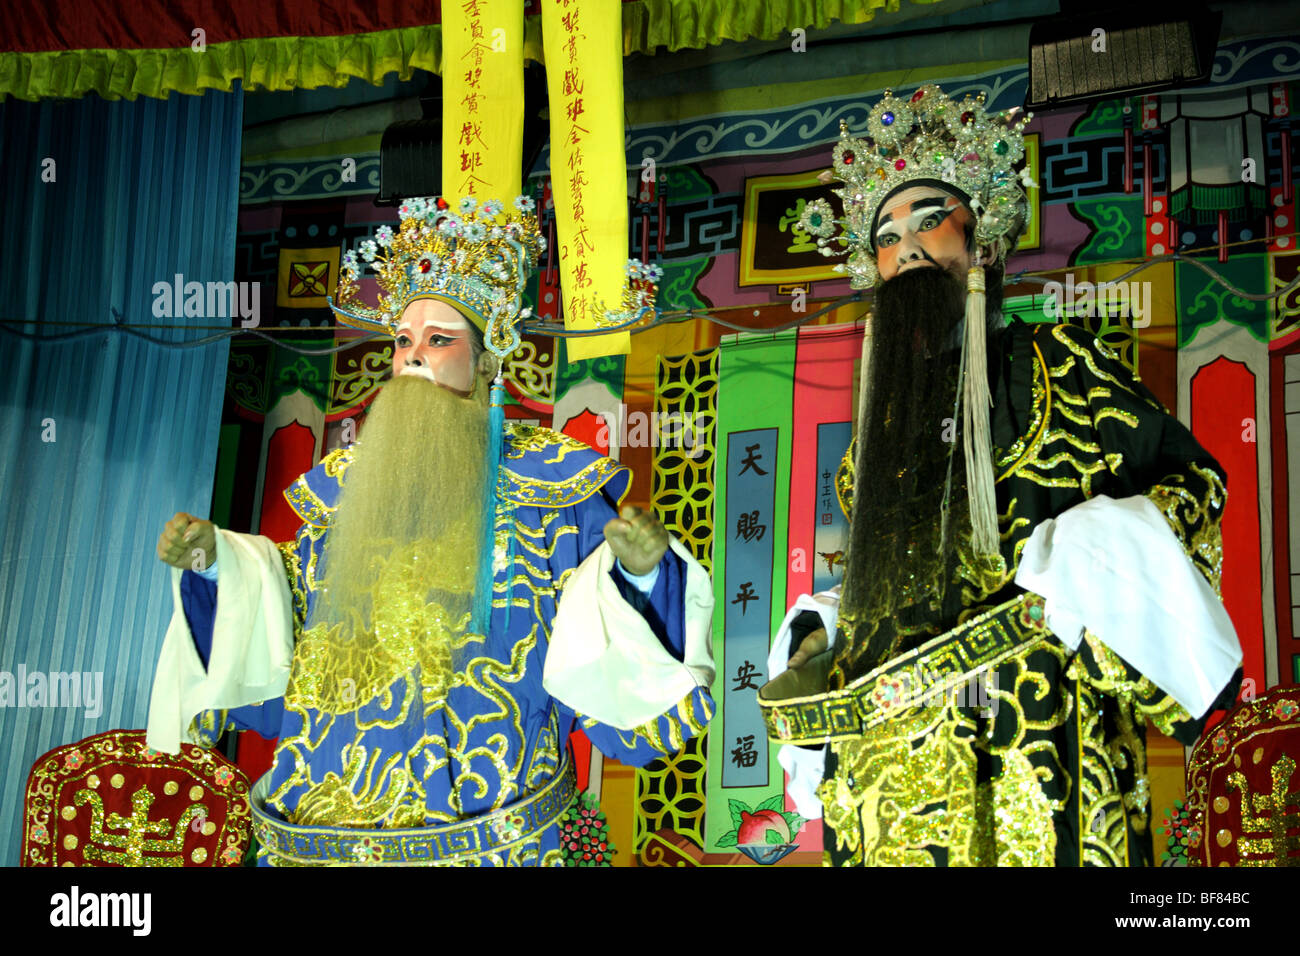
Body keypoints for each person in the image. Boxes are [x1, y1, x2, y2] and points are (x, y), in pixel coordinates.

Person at [146, 195, 715, 866]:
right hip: (320, 830)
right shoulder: (343, 492)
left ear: (487, 362)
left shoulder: (553, 488)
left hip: (489, 833)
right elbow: (280, 628)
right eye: (403, 341)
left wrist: (644, 573)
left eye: (439, 340)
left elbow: (610, 645)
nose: (414, 356)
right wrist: (218, 566)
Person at [758, 85, 1242, 866]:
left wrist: (1094, 549)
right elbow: (883, 598)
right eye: (886, 234)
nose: (907, 243)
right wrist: (822, 627)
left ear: (981, 242)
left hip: (1039, 743)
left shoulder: (1066, 368)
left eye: (928, 218)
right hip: (893, 777)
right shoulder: (869, 453)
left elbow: (1196, 491)